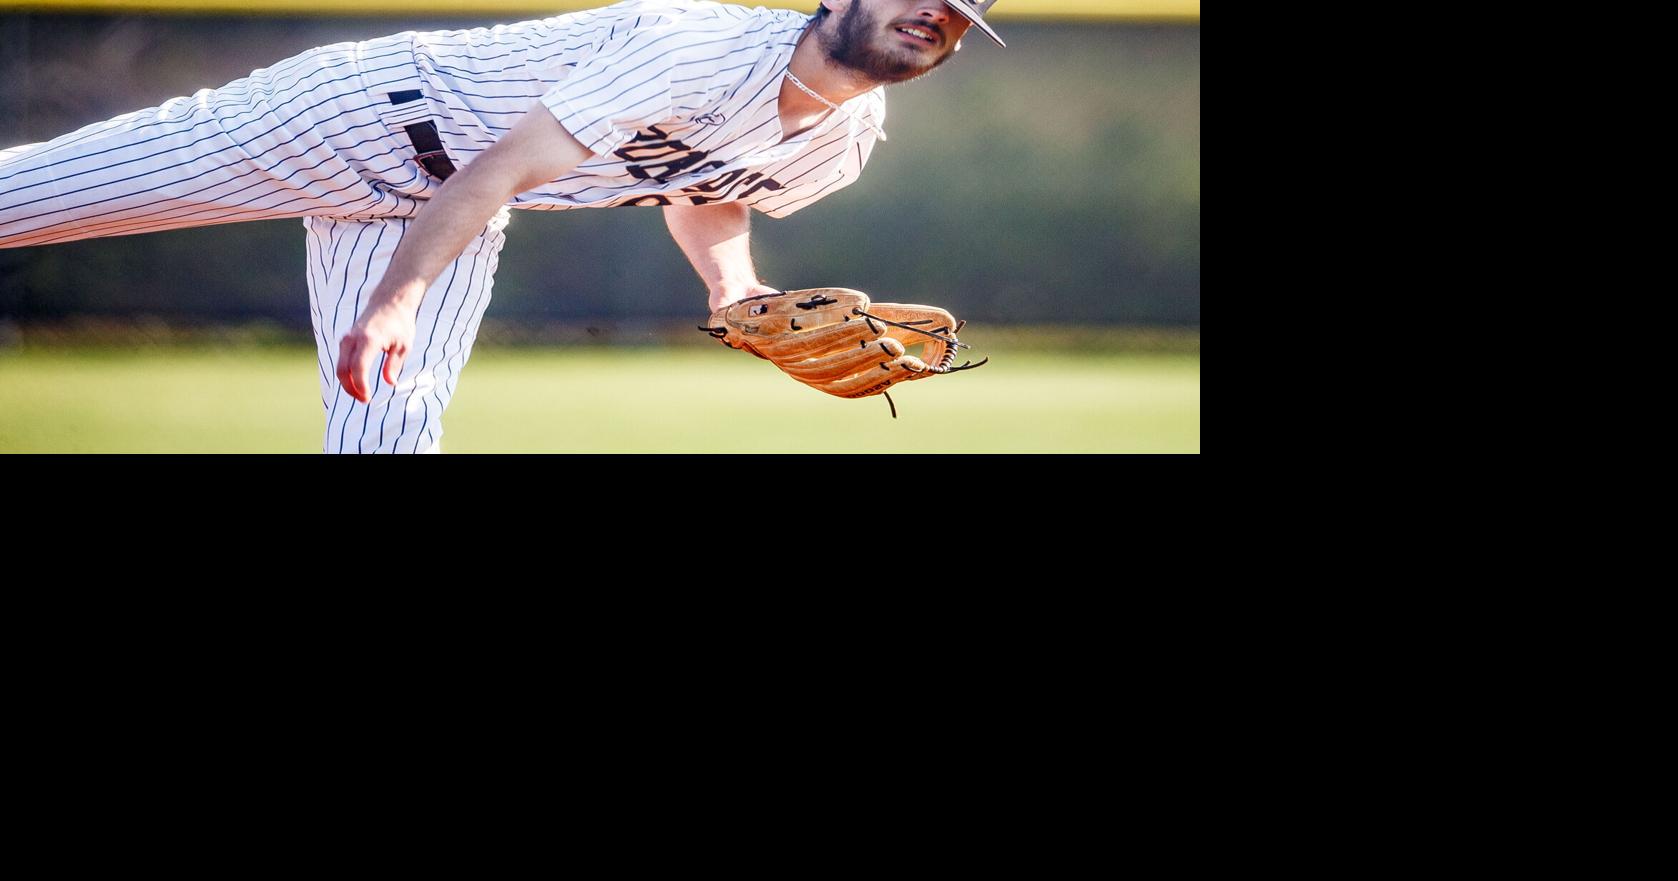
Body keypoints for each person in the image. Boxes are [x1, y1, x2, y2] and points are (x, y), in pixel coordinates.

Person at [0, 0, 1005, 453]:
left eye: (959, 13)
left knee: (390, 422)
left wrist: (731, 289)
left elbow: (713, 186)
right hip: (350, 118)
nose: (934, 15)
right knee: (23, 204)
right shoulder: (695, 44)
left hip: (447, 211)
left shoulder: (842, 140)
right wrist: (397, 297)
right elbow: (506, 164)